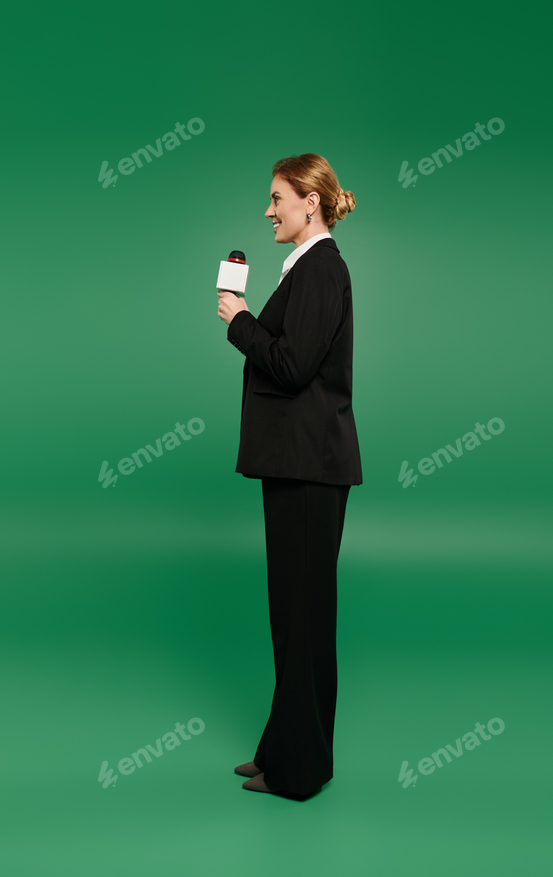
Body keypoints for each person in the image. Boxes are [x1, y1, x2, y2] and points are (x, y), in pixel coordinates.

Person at [217, 153, 363, 799]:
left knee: (301, 617)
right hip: (299, 463)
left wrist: (240, 322)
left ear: (311, 202)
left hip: (310, 467)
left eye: (277, 198)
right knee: (295, 616)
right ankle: (284, 750)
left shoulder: (322, 268)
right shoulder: (308, 268)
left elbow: (295, 364)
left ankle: (299, 772)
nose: (268, 210)